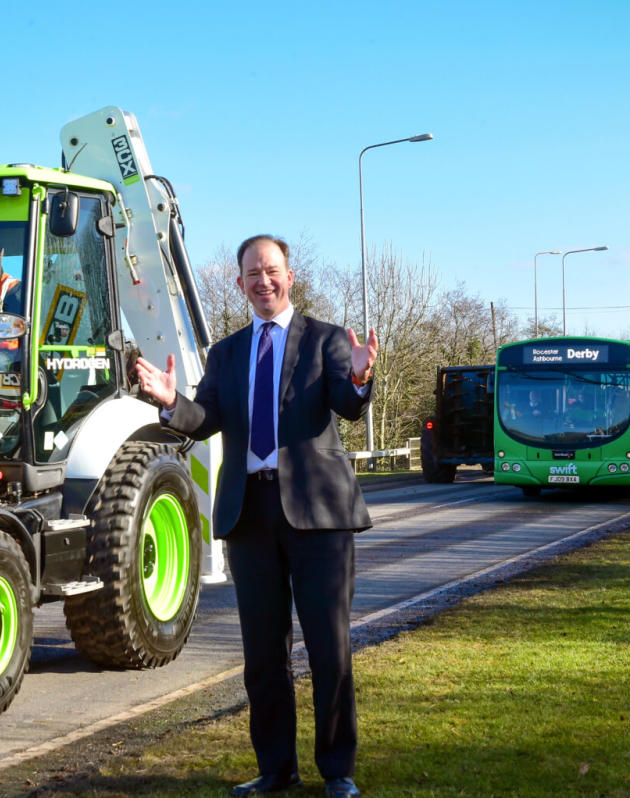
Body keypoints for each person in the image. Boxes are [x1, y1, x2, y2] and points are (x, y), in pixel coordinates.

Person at [135, 235, 378, 798]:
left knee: (329, 648)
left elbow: (346, 401)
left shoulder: (326, 340)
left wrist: (361, 377)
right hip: (250, 515)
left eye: (272, 271)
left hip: (320, 515)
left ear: (290, 277)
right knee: (263, 656)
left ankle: (337, 771)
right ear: (240, 283)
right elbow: (204, 419)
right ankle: (276, 769)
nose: (263, 281)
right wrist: (172, 401)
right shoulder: (226, 353)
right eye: (252, 274)